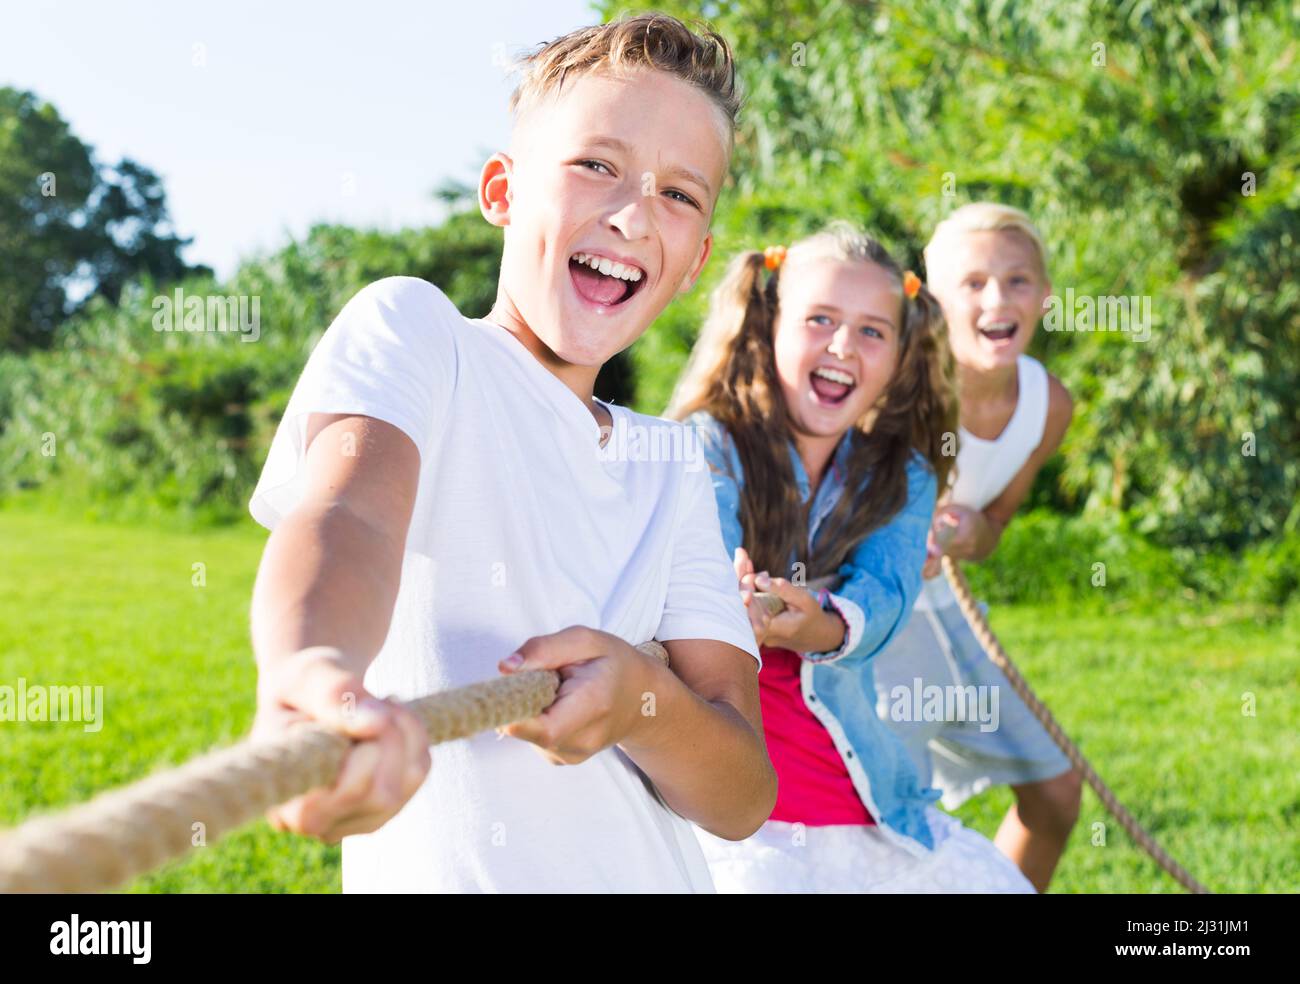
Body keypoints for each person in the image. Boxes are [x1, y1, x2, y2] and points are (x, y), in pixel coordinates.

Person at [245, 14, 778, 892]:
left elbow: (740, 792)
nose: (634, 214)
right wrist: (312, 671)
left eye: (679, 194)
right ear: (502, 189)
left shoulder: (670, 463)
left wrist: (641, 703)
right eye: (595, 165)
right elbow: (352, 514)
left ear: (695, 262)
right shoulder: (418, 334)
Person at [668, 223, 1034, 892]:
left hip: (854, 797)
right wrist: (730, 599)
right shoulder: (707, 445)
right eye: (820, 320)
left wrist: (816, 623)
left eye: (872, 331)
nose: (843, 345)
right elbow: (706, 551)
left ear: (898, 355)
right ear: (769, 326)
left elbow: (885, 596)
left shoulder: (905, 475)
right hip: (730, 802)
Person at [872, 202, 1080, 892]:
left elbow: (994, 530)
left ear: (1045, 296)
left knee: (1055, 795)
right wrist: (898, 530)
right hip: (872, 618)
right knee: (880, 813)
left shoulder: (1048, 404)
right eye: (974, 283)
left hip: (951, 620)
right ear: (931, 300)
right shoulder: (893, 384)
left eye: (1019, 281)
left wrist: (964, 530)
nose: (998, 299)